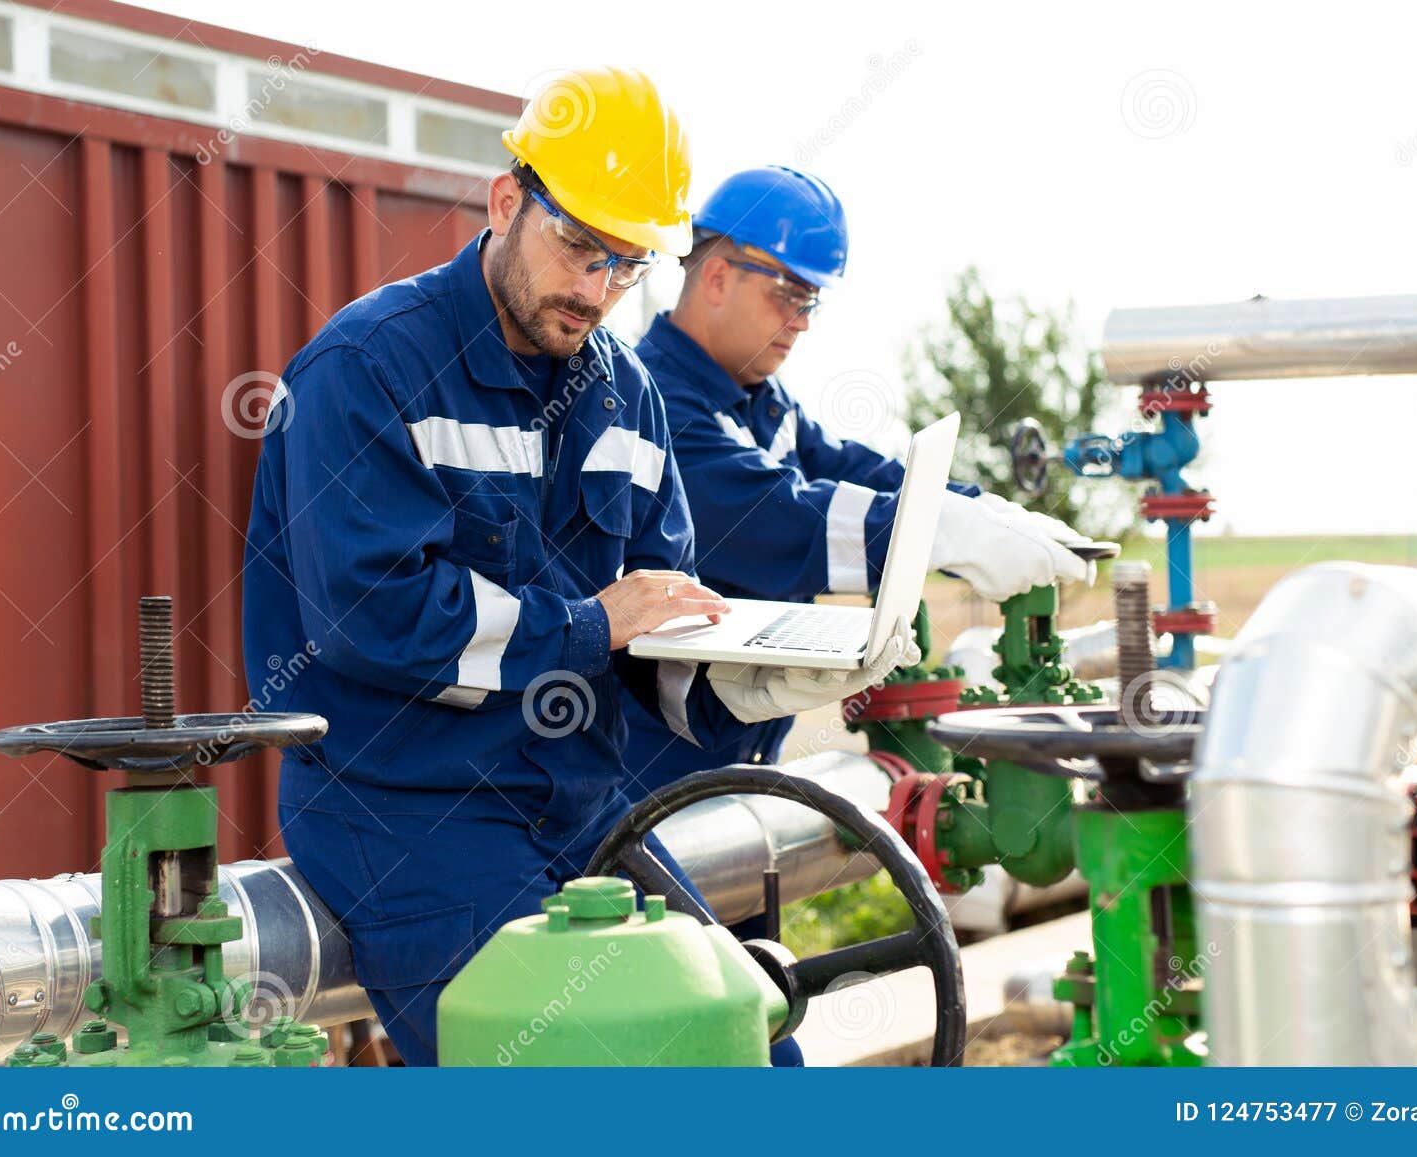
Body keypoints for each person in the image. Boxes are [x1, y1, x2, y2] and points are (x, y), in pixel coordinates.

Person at [241, 73, 913, 1066]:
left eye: (626, 264)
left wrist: (762, 678)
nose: (596, 290)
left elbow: (658, 629)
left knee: (743, 1046)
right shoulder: (370, 368)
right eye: (581, 247)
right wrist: (589, 625)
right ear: (507, 202)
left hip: (577, 806)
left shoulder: (624, 393)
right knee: (594, 1072)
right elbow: (373, 612)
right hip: (408, 810)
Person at [621, 166, 1093, 800]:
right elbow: (773, 516)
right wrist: (944, 535)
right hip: (642, 778)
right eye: (789, 293)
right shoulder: (650, 399)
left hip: (733, 761)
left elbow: (850, 470)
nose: (803, 321)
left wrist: (985, 513)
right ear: (716, 276)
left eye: (812, 300)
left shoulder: (760, 401)